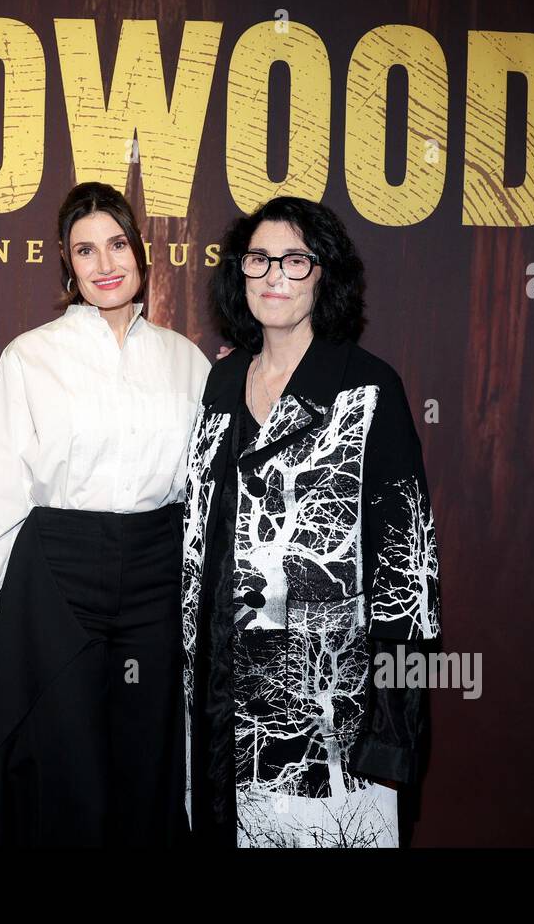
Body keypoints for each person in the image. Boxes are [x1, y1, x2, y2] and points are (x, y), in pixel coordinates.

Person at [181, 196, 442, 848]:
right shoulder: (220, 382)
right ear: (239, 274)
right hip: (214, 697)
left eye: (295, 259)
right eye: (260, 259)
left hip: (328, 720)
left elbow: (410, 574)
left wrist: (392, 731)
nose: (275, 275)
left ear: (324, 274)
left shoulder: (367, 387)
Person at [0, 181, 210, 846]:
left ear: (140, 253)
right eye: (85, 250)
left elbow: (205, 499)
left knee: (147, 766)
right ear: (66, 267)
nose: (105, 264)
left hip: (157, 576)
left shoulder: (188, 363)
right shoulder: (31, 357)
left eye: (118, 244)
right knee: (68, 777)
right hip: (58, 577)